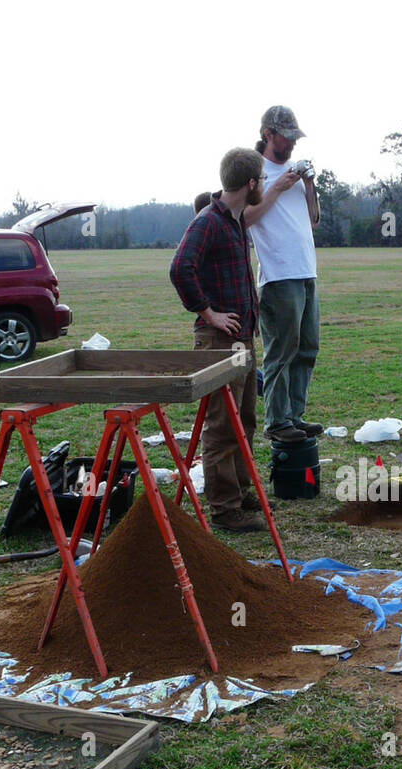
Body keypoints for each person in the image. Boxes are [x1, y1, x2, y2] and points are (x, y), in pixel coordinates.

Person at [170, 149, 266, 533]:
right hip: (218, 341)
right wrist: (208, 313)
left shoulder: (236, 221)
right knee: (222, 426)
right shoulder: (208, 221)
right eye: (262, 180)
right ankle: (225, 510)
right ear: (251, 183)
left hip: (242, 340)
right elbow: (180, 268)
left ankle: (241, 492)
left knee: (245, 421)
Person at [243, 105, 322, 446]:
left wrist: (308, 184)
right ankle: (277, 421)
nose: (291, 145)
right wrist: (277, 188)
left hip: (306, 271)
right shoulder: (253, 171)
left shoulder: (294, 169)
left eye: (294, 138)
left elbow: (314, 219)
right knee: (281, 351)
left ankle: (295, 416)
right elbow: (244, 218)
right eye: (285, 138)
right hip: (277, 277)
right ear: (267, 134)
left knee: (307, 348)